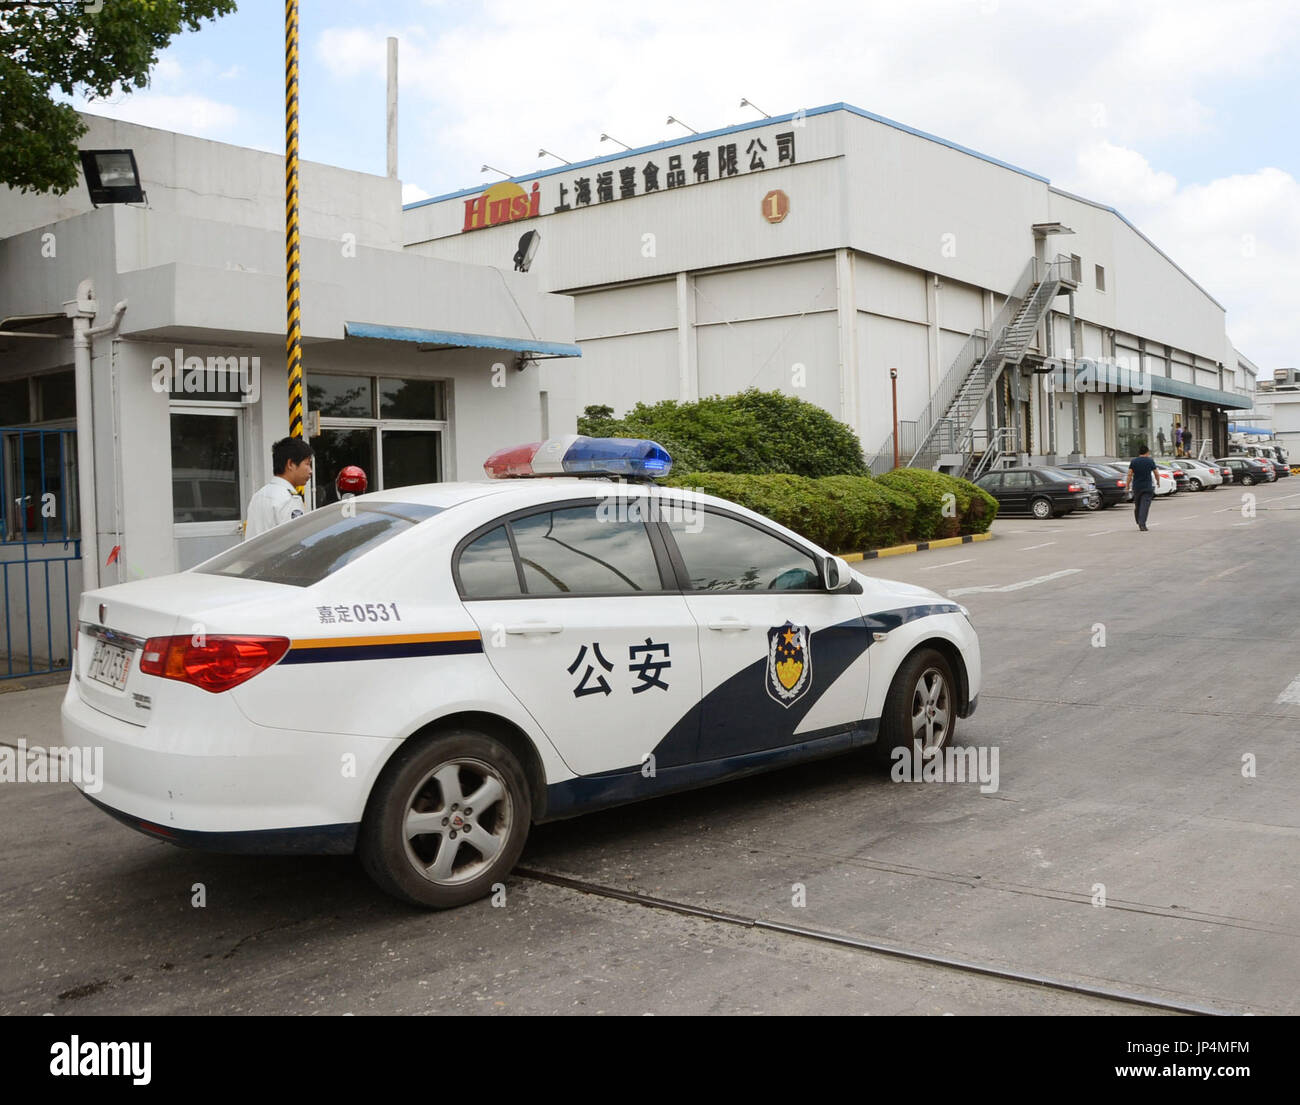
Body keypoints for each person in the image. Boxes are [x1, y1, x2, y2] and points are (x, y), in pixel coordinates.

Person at [245, 436, 313, 539]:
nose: (310, 471)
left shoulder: (258, 496)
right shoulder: (290, 499)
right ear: (290, 464)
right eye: (307, 464)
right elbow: (295, 541)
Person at [1127, 444, 1157, 532]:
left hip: (1137, 487)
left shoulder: (1134, 461)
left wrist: (1127, 485)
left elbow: (1129, 474)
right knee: (1145, 506)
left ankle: (1138, 520)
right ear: (1147, 452)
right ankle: (1142, 523)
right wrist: (1158, 481)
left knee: (1138, 505)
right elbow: (1156, 473)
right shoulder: (1150, 461)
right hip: (1147, 487)